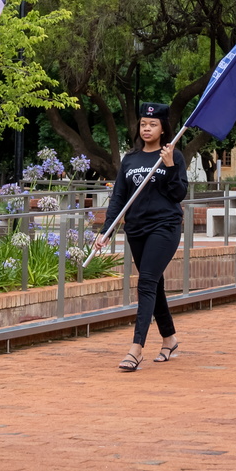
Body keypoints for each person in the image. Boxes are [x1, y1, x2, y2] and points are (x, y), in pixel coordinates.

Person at [93, 101, 187, 369]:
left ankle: (136, 348)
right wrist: (107, 230)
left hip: (165, 226)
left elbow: (179, 194)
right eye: (144, 124)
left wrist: (168, 166)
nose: (147, 128)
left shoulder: (173, 156)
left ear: (163, 128)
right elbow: (119, 198)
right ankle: (169, 339)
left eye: (153, 124)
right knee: (154, 283)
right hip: (136, 229)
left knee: (145, 282)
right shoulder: (130, 159)